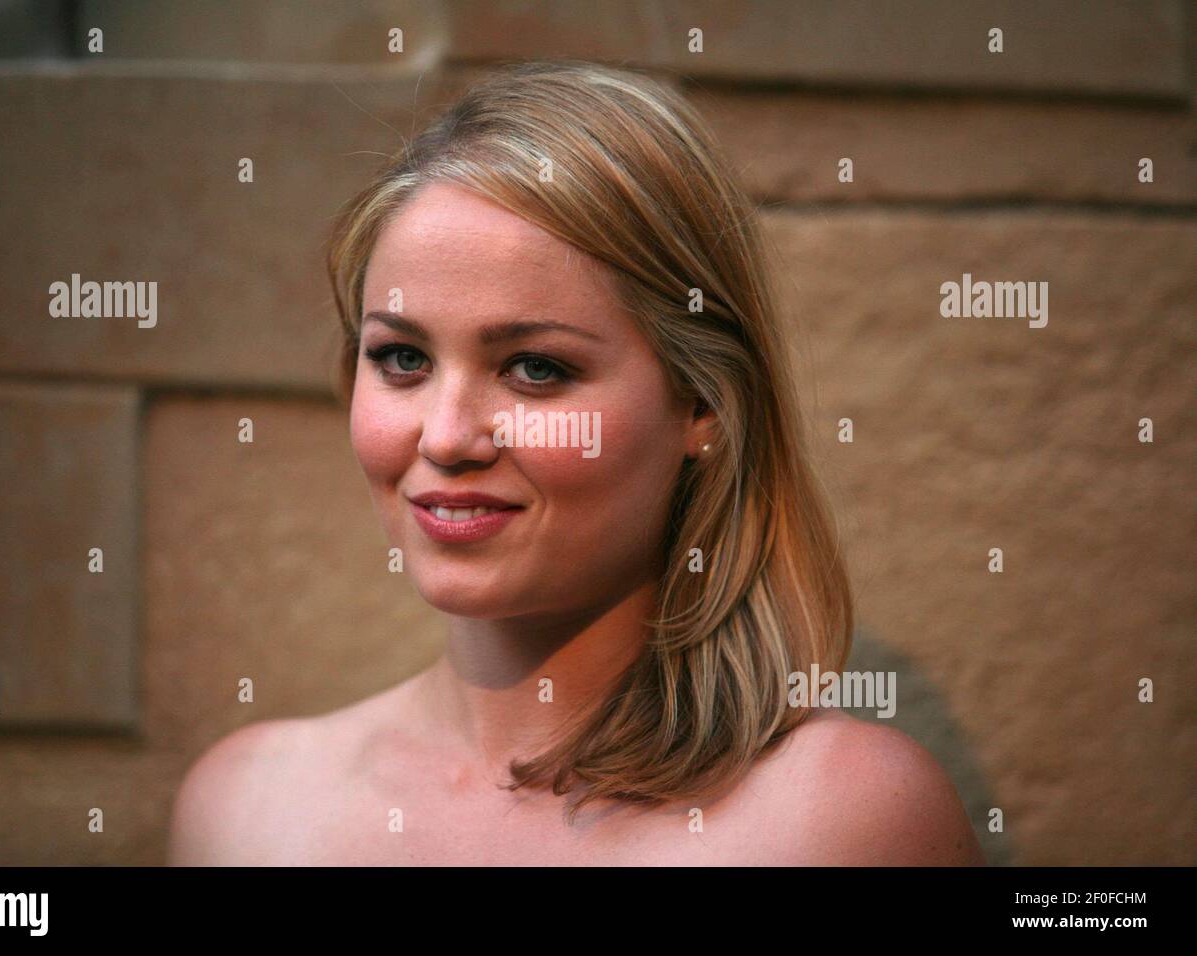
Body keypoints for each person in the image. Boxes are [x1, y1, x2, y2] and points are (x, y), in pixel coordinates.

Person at [168, 58, 984, 866]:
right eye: (403, 359)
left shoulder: (846, 819)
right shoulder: (244, 807)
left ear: (702, 404)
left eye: (536, 368)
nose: (447, 438)